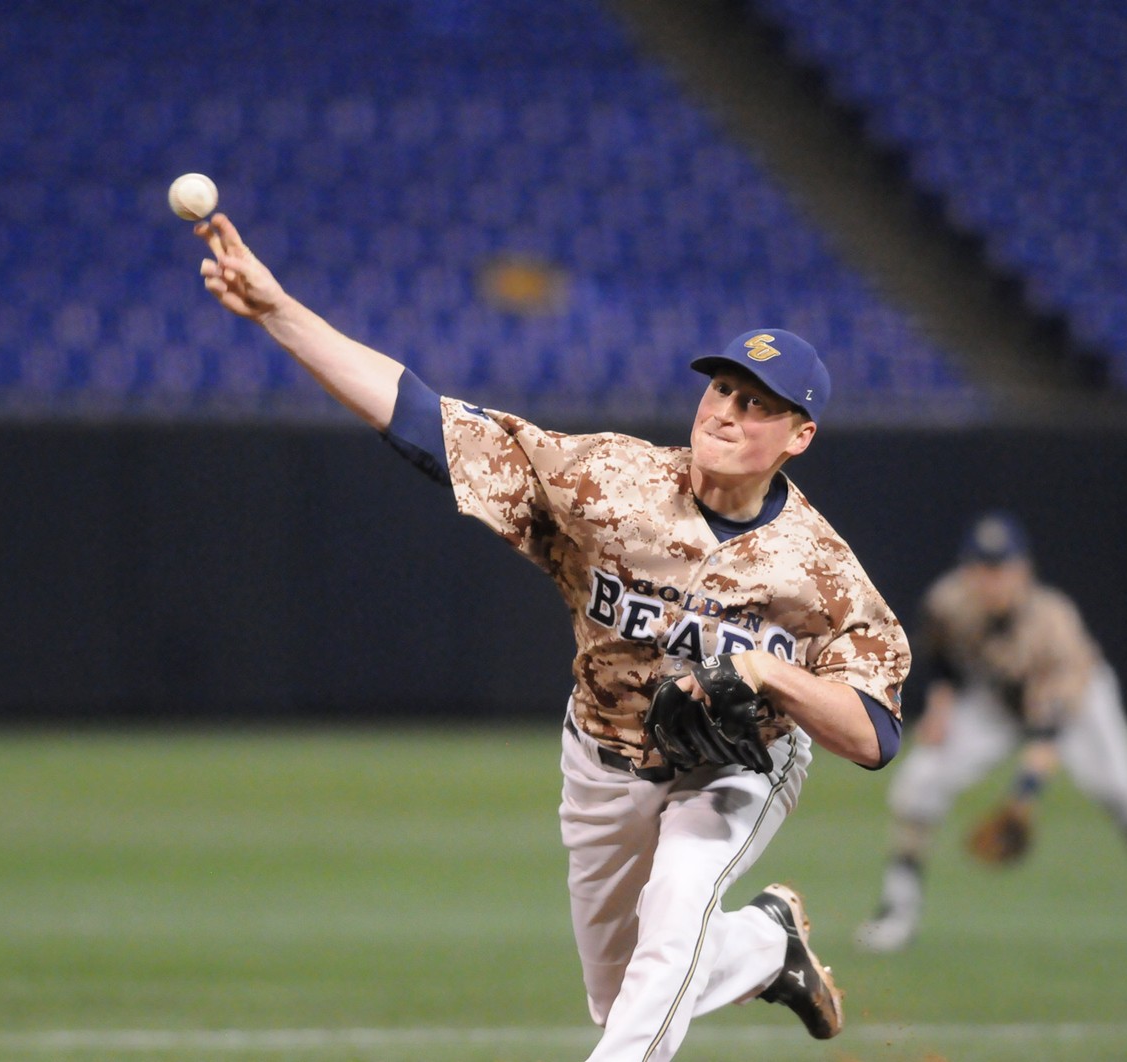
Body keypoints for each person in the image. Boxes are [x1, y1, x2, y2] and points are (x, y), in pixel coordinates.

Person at [192, 213, 911, 1059]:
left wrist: (764, 673)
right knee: (625, 994)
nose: (729, 411)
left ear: (800, 438)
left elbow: (876, 733)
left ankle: (728, 947)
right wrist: (280, 312)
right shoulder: (609, 481)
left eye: (761, 406)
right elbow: (426, 422)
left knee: (676, 917)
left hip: (734, 768)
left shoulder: (819, 568)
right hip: (602, 756)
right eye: (723, 389)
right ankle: (764, 946)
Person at [854, 511, 1127, 954]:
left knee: (1124, 790)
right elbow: (943, 655)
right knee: (919, 784)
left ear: (1023, 571)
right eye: (981, 568)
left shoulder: (1054, 623)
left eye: (1000, 569)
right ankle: (897, 910)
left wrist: (1022, 795)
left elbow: (1048, 733)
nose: (989, 580)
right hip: (996, 699)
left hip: (1078, 703)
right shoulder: (948, 600)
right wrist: (941, 707)